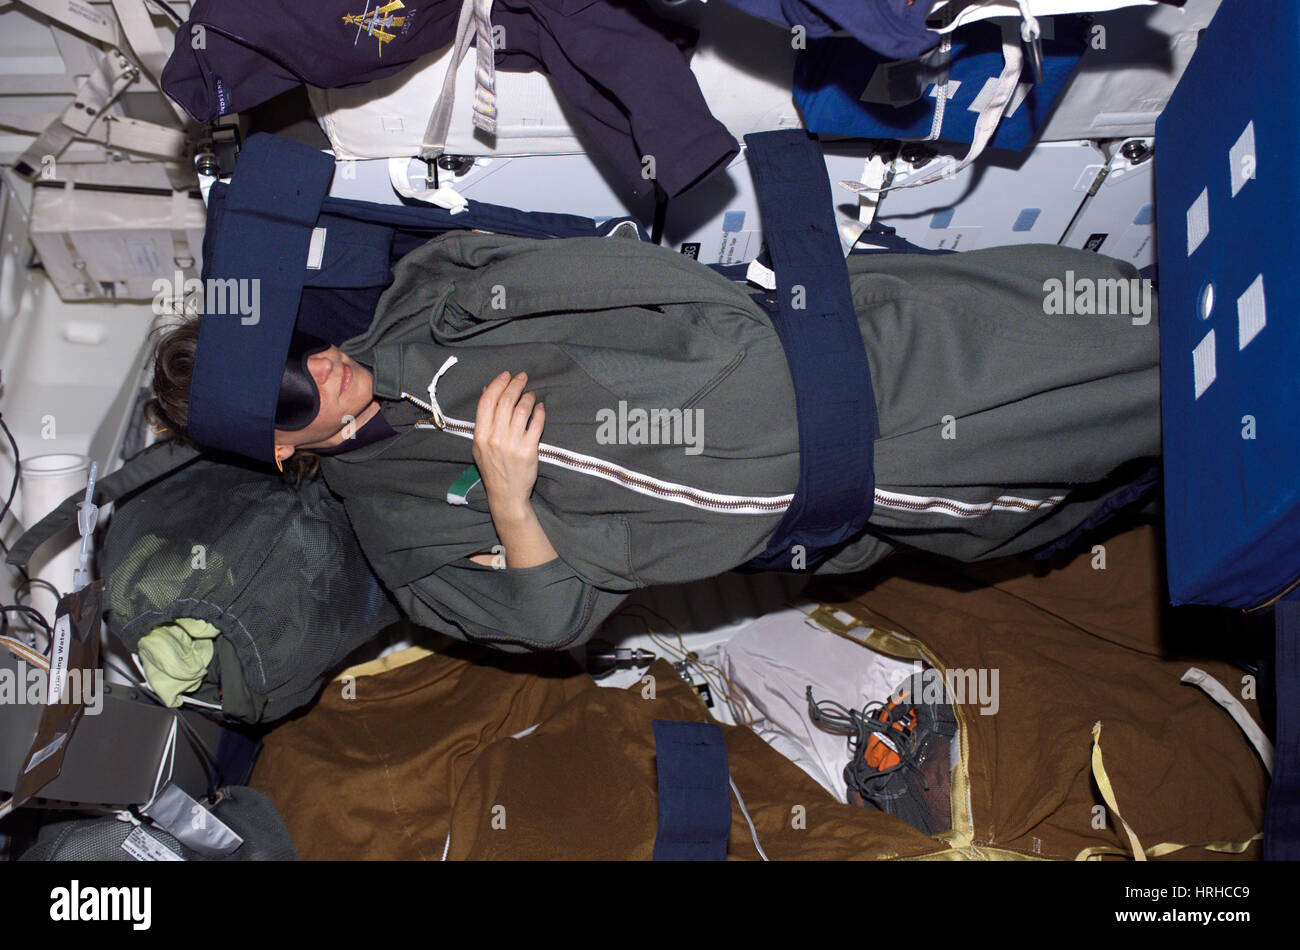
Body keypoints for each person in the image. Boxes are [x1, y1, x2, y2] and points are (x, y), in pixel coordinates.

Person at [146, 231, 1160, 652]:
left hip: (821, 349)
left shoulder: (431, 302)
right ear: (286, 451)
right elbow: (549, 619)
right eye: (290, 392)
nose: (324, 366)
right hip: (854, 473)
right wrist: (508, 495)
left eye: (302, 347)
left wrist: (734, 333)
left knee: (1105, 317)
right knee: (1088, 455)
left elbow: (605, 269)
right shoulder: (402, 530)